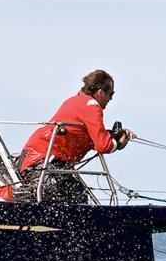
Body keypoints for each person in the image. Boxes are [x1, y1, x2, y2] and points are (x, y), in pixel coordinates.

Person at [14, 70, 136, 203]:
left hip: (35, 158)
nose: (111, 99)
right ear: (100, 92)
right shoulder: (92, 106)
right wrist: (119, 144)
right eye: (110, 94)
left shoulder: (75, 100)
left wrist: (113, 135)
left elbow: (88, 135)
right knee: (78, 199)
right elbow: (103, 145)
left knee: (78, 198)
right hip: (44, 160)